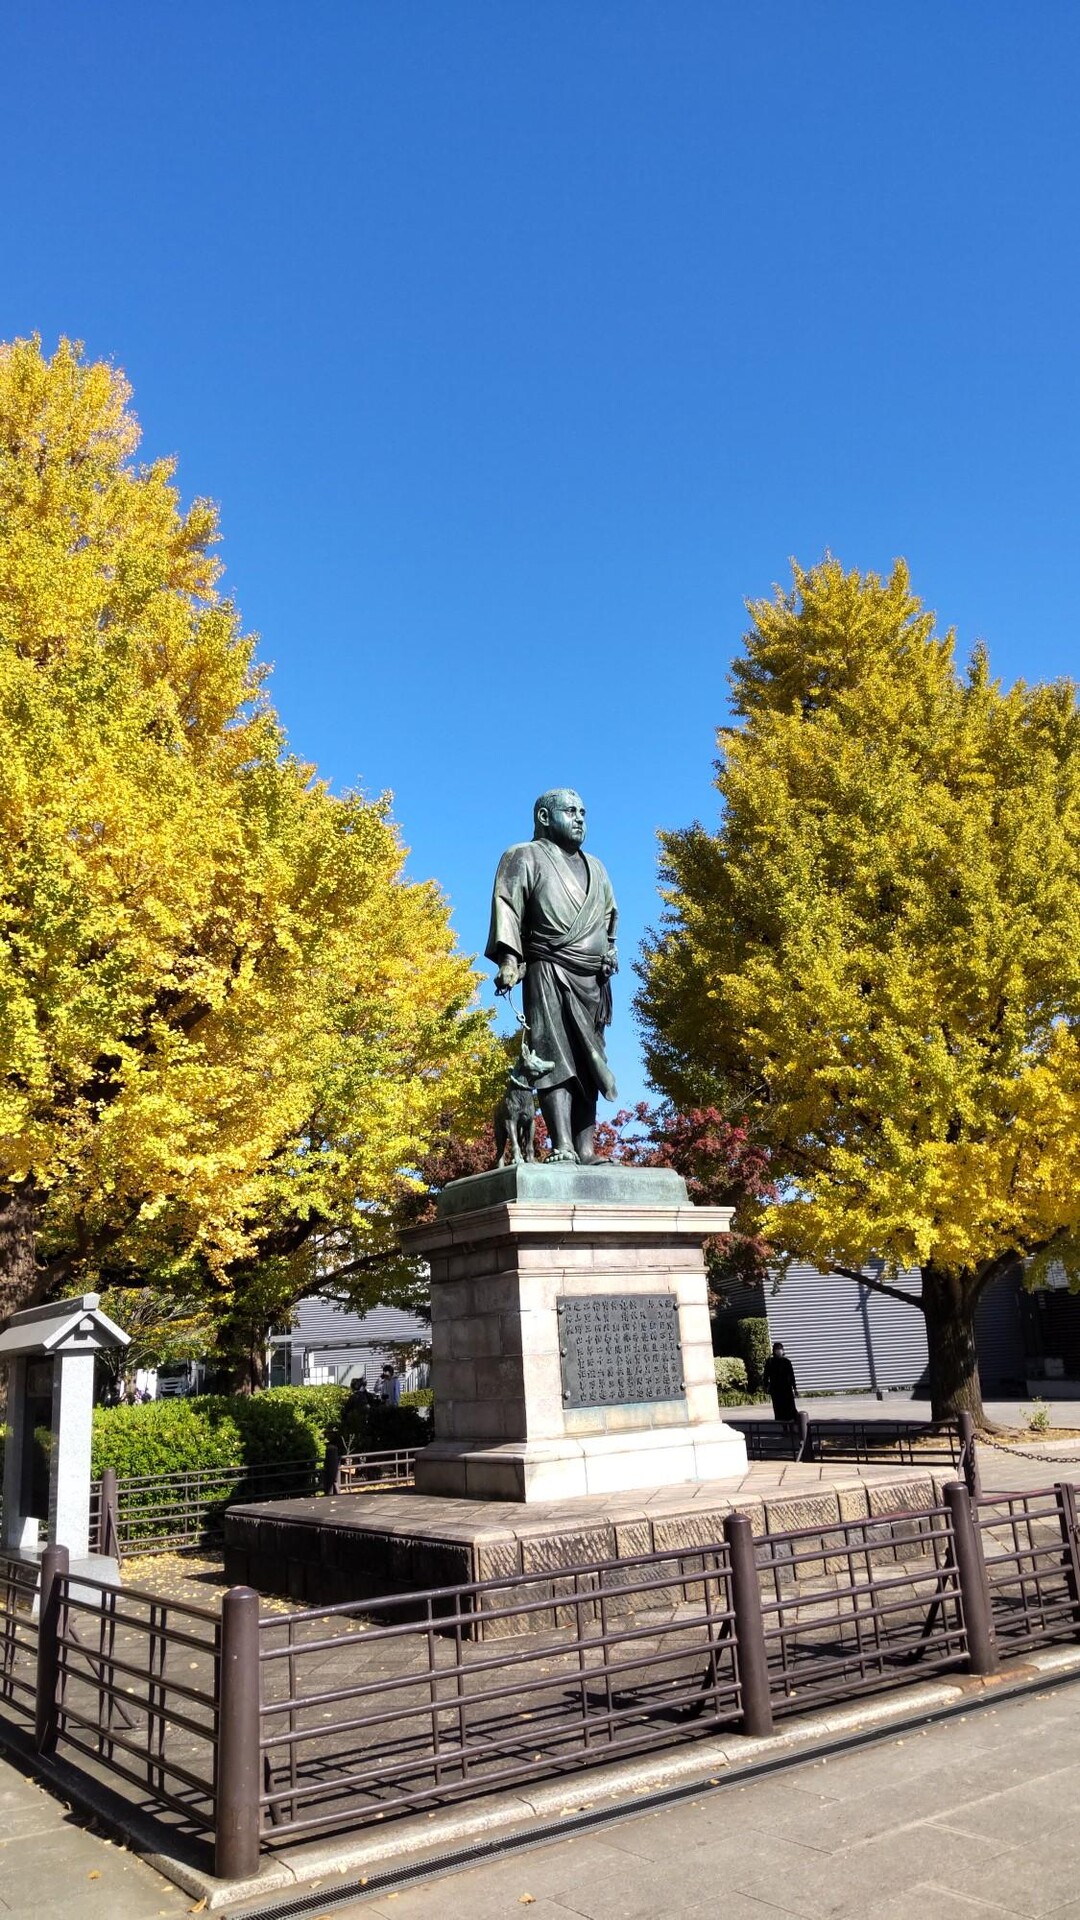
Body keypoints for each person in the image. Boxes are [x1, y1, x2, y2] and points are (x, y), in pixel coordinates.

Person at [486, 789, 618, 1165]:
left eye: (583, 812)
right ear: (545, 817)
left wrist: (610, 950)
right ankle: (562, 1144)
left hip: (592, 977)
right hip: (547, 968)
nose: (580, 818)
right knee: (553, 1054)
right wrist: (509, 960)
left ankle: (587, 1148)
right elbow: (508, 906)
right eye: (570, 811)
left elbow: (609, 915)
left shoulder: (597, 867)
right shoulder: (523, 856)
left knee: (590, 1060)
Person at [763, 1341, 798, 1431]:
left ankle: (792, 1427)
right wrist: (766, 1386)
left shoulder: (787, 1362)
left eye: (780, 1349)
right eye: (777, 1349)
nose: (779, 1351)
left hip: (787, 1388)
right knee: (779, 1409)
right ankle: (784, 1428)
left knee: (790, 1408)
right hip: (776, 1389)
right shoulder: (770, 1362)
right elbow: (766, 1375)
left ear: (783, 1350)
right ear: (774, 1351)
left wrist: (795, 1388)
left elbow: (792, 1376)